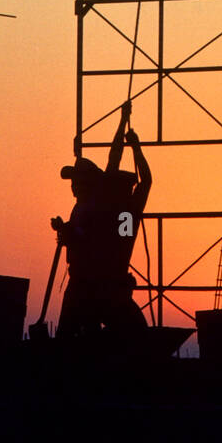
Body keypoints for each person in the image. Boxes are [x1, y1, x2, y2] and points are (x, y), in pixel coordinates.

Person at [52, 102, 152, 343]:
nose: (74, 187)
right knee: (133, 335)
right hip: (100, 288)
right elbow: (132, 170)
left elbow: (116, 160)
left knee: (71, 339)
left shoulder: (105, 205)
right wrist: (133, 142)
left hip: (96, 289)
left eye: (78, 181)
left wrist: (128, 134)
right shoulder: (103, 205)